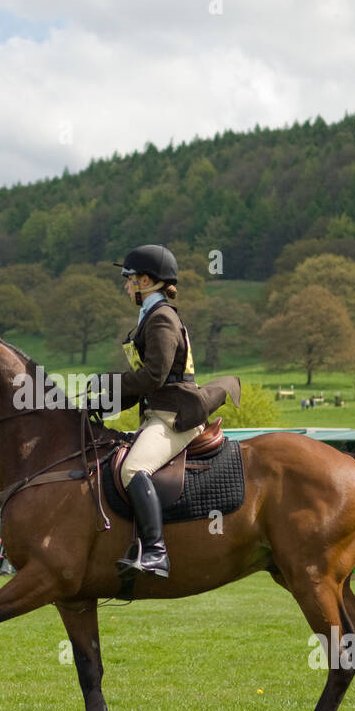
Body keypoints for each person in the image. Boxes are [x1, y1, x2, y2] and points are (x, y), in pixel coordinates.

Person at [105, 244, 240, 579]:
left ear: (147, 280)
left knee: (133, 470)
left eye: (130, 278)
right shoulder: (151, 316)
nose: (126, 286)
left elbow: (154, 375)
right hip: (158, 413)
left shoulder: (161, 318)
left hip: (173, 416)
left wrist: (109, 387)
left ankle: (155, 552)